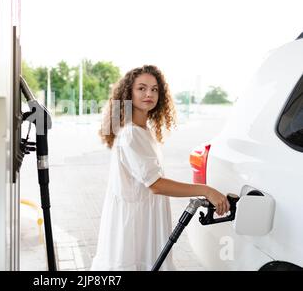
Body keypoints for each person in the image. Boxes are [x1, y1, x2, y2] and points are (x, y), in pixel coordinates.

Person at [90, 65, 230, 271]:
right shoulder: (131, 134)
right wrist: (206, 190)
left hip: (144, 219)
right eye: (142, 88)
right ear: (128, 93)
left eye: (155, 89)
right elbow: (155, 184)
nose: (149, 94)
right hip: (134, 226)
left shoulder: (144, 131)